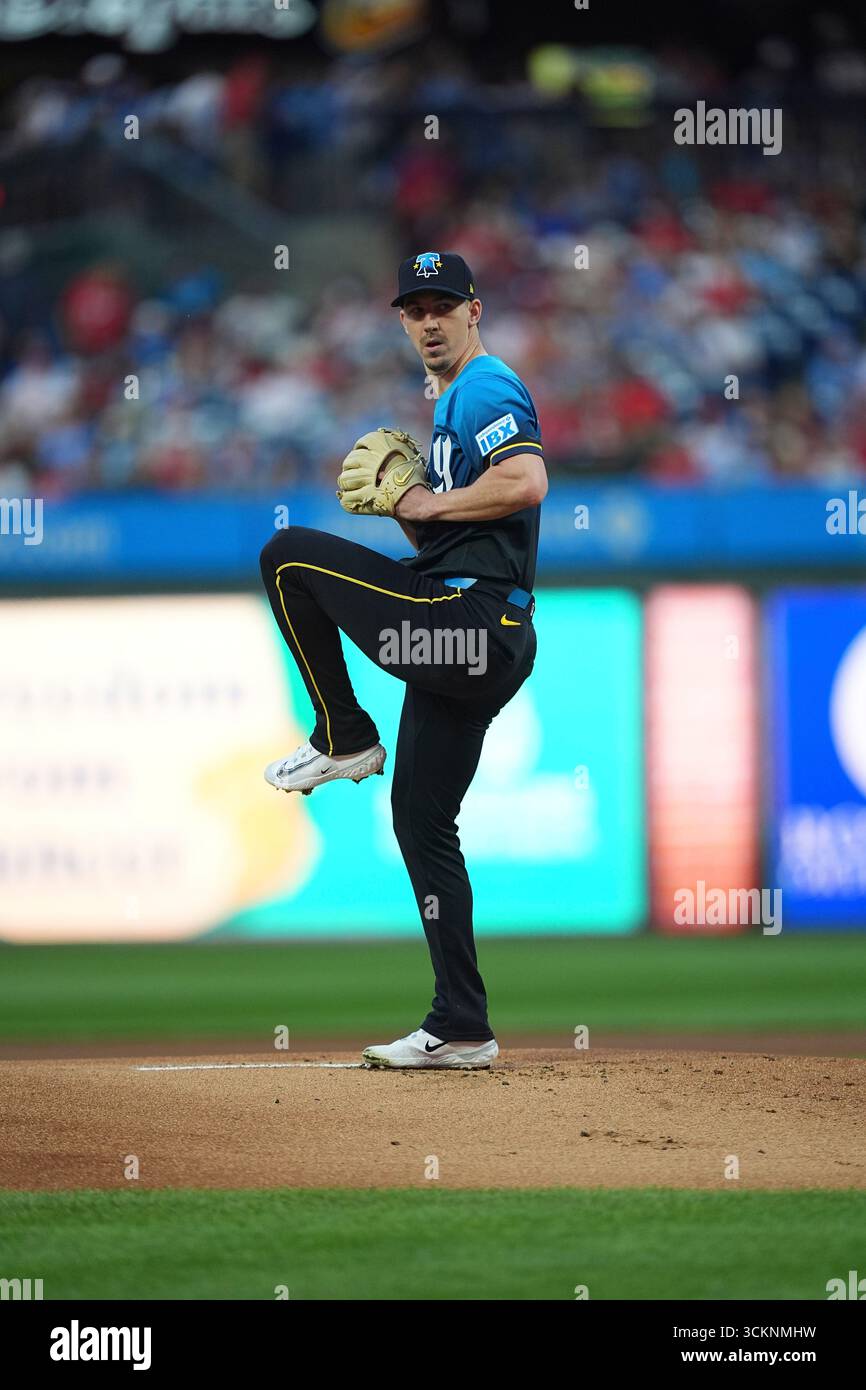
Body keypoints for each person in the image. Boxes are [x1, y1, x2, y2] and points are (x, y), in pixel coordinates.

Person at [259, 252, 546, 1068]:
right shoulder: (449, 406)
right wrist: (409, 515)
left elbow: (526, 481)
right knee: (422, 823)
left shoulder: (483, 387)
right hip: (468, 637)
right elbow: (462, 531)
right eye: (414, 309)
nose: (428, 322)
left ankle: (342, 732)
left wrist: (423, 501)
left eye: (442, 306)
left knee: (287, 556)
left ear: (473, 311)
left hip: (470, 621)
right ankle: (463, 1025)